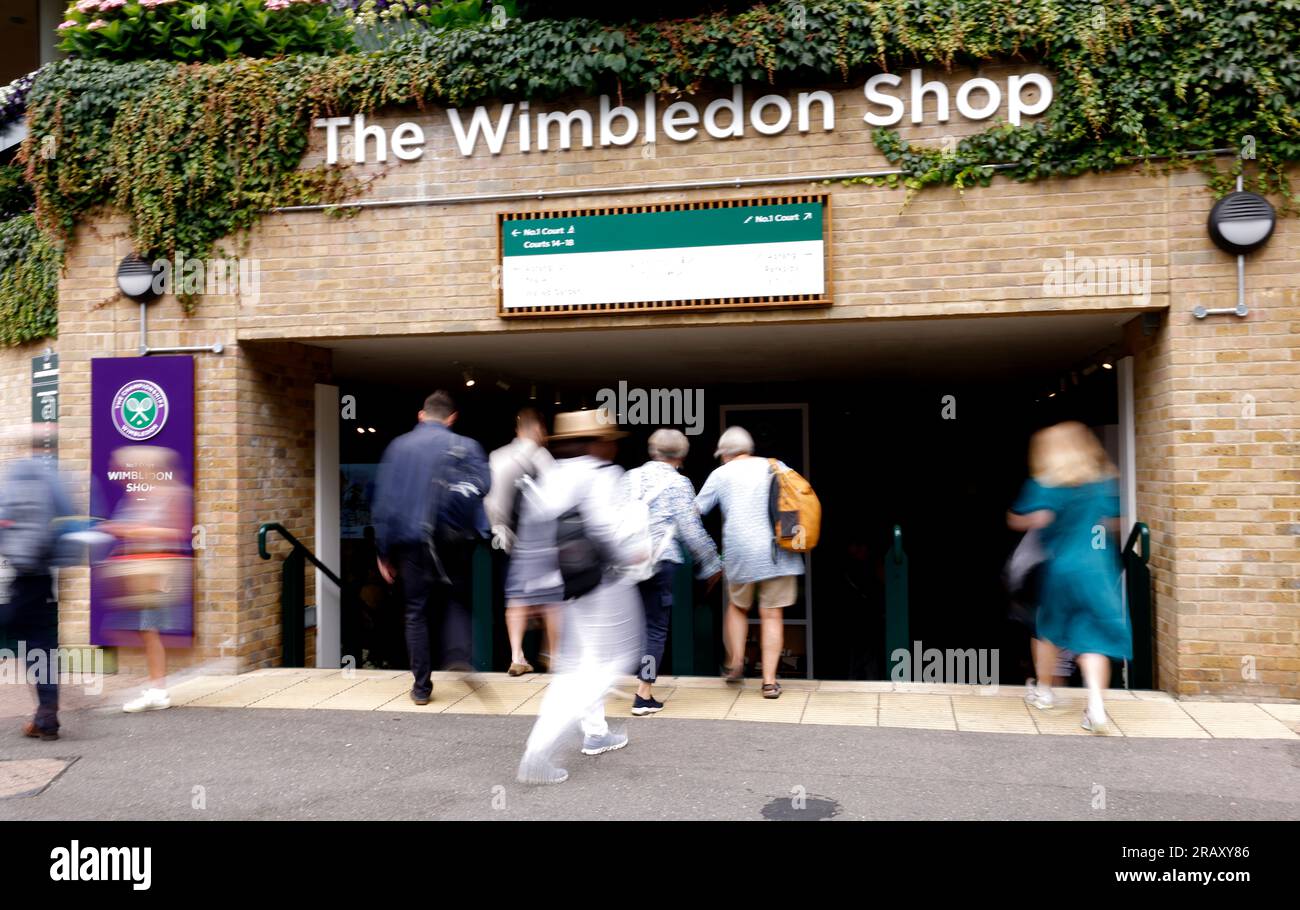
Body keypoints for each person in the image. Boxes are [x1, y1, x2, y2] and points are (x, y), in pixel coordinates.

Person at [515, 410, 646, 785]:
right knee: (611, 663)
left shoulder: (552, 475)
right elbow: (606, 529)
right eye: (609, 439)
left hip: (566, 586)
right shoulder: (601, 474)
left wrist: (536, 589)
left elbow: (533, 535)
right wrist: (631, 555)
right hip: (603, 583)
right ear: (597, 442)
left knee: (577, 663)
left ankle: (596, 731)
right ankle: (538, 752)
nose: (613, 445)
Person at [1007, 421, 1131, 734]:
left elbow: (1019, 519)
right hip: (1098, 570)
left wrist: (1039, 519)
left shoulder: (1045, 484)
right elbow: (1117, 521)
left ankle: (1045, 692)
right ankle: (1096, 707)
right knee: (1094, 640)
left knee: (1049, 629)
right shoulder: (1102, 484)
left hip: (1062, 568)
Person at [372, 391, 489, 705]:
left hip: (410, 543)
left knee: (416, 612)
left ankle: (422, 687)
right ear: (452, 418)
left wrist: (384, 551)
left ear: (421, 415)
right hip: (453, 540)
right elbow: (482, 486)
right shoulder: (467, 446)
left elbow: (385, 503)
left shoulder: (399, 447)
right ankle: (458, 654)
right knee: (455, 598)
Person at [696, 426, 805, 699]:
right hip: (780, 550)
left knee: (737, 607)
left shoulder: (721, 474)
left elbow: (695, 510)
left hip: (740, 552)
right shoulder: (776, 466)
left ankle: (735, 663)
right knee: (772, 613)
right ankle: (769, 682)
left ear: (725, 455)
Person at [623, 428, 722, 715]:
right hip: (658, 561)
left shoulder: (630, 478)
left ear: (653, 451)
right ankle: (644, 693)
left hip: (625, 561)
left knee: (627, 625)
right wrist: (712, 564)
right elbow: (691, 530)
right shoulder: (679, 484)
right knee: (654, 628)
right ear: (681, 456)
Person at [98, 445, 192, 714]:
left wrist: (132, 530)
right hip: (141, 574)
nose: (125, 474)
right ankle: (155, 686)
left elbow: (175, 532)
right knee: (146, 631)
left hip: (156, 574)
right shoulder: (139, 496)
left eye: (129, 468)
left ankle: (157, 689)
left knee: (150, 631)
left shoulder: (173, 494)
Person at [0, 443, 75, 739]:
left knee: (22, 639)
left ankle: (45, 718)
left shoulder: (12, 479)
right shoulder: (56, 481)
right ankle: (47, 719)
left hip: (18, 576)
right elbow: (71, 525)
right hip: (45, 578)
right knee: (42, 648)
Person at [487, 407, 559, 676]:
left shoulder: (498, 456)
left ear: (518, 430)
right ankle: (551, 653)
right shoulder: (543, 458)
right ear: (538, 430)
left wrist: (501, 531)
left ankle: (517, 655)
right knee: (553, 598)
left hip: (508, 539)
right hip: (543, 540)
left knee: (516, 597)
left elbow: (493, 502)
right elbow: (556, 500)